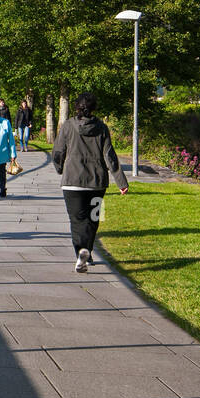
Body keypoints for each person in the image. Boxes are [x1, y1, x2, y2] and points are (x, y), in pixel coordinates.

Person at [51, 91, 128, 272]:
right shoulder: (101, 127)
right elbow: (109, 155)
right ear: (94, 107)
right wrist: (121, 181)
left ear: (77, 106)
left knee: (77, 219)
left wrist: (60, 168)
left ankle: (81, 251)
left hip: (73, 181)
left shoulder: (68, 125)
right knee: (94, 217)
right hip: (97, 182)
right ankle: (88, 251)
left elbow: (57, 152)